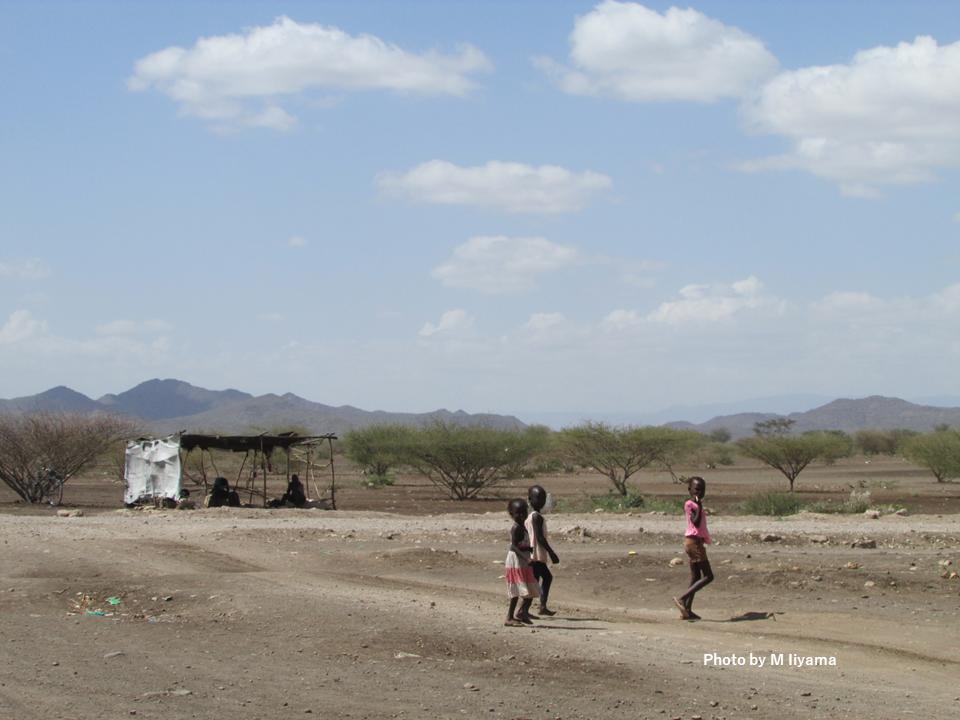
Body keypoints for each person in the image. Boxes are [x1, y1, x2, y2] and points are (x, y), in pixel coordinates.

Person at [674, 476, 713, 620]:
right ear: (689, 490)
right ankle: (682, 599)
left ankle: (687, 610)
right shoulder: (690, 504)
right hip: (693, 542)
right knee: (709, 576)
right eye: (697, 489)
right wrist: (700, 506)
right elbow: (696, 523)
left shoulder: (697, 504)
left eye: (702, 490)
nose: (700, 492)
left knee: (696, 576)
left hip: (696, 542)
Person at [504, 498, 541, 627]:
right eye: (517, 513)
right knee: (517, 589)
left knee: (529, 586)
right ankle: (509, 617)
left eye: (523, 512)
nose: (521, 515)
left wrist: (529, 550)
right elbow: (514, 546)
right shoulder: (516, 528)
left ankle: (522, 612)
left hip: (523, 560)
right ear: (511, 513)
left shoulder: (523, 526)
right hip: (517, 561)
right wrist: (526, 557)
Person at [525, 485, 560, 616]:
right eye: (538, 498)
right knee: (533, 582)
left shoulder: (530, 515)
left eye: (544, 498)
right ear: (530, 499)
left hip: (535, 553)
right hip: (536, 554)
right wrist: (551, 552)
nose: (542, 501)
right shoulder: (536, 517)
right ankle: (524, 610)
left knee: (546, 577)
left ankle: (542, 606)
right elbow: (539, 537)